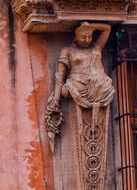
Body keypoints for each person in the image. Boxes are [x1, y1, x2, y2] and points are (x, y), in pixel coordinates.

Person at [46, 22, 114, 151]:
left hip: (101, 86)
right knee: (68, 89)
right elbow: (60, 75)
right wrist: (56, 98)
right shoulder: (68, 50)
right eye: (84, 36)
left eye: (90, 36)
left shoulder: (96, 47)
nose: (88, 40)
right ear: (76, 36)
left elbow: (107, 28)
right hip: (78, 86)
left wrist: (91, 25)